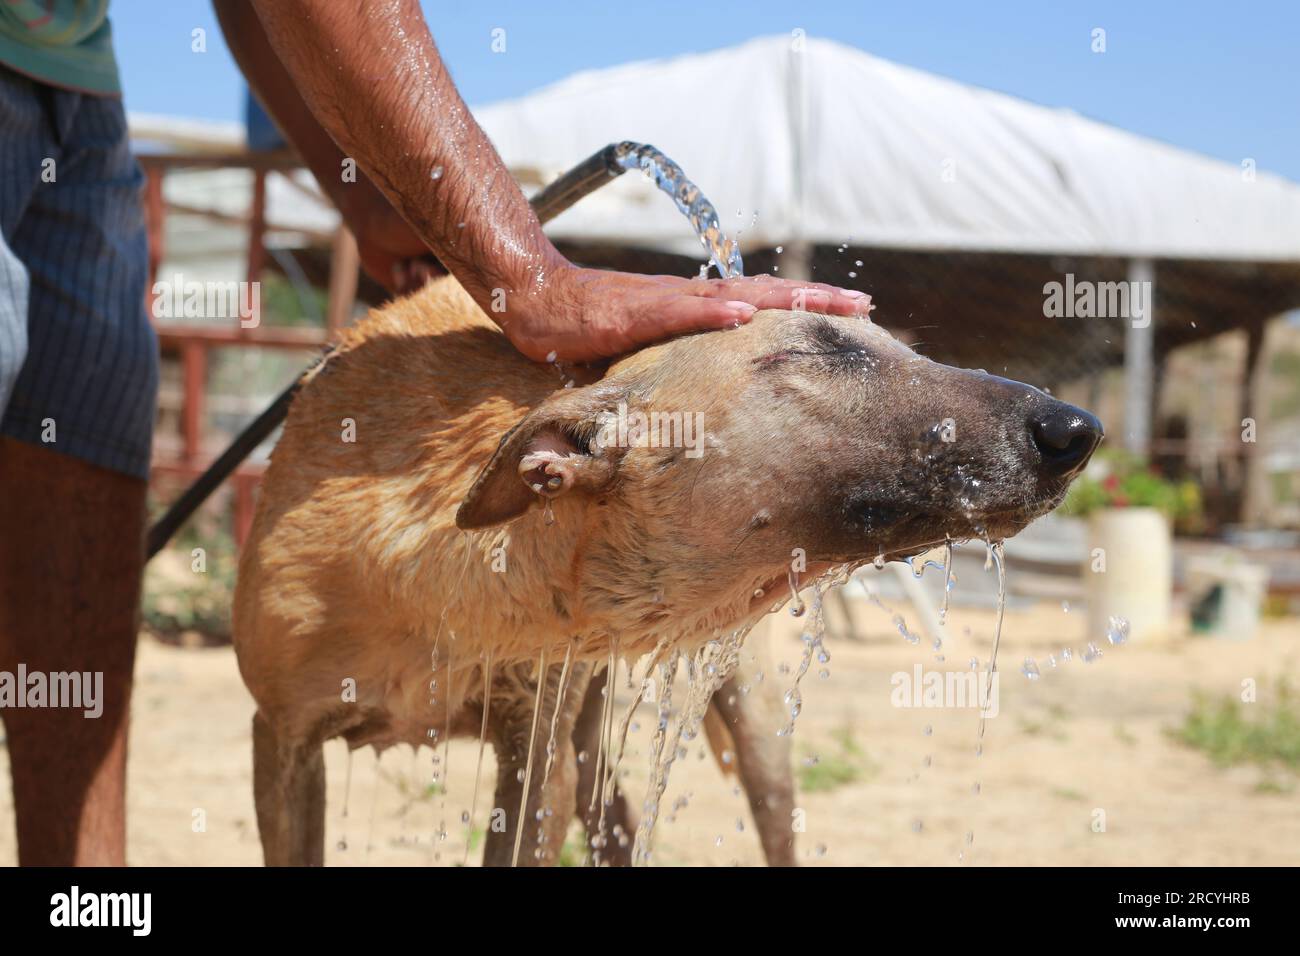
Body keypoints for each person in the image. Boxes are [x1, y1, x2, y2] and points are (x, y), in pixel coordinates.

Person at [0, 0, 869, 865]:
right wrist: (523, 275)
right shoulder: (364, 549)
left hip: (76, 83)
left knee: (80, 482)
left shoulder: (561, 554)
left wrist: (363, 187)